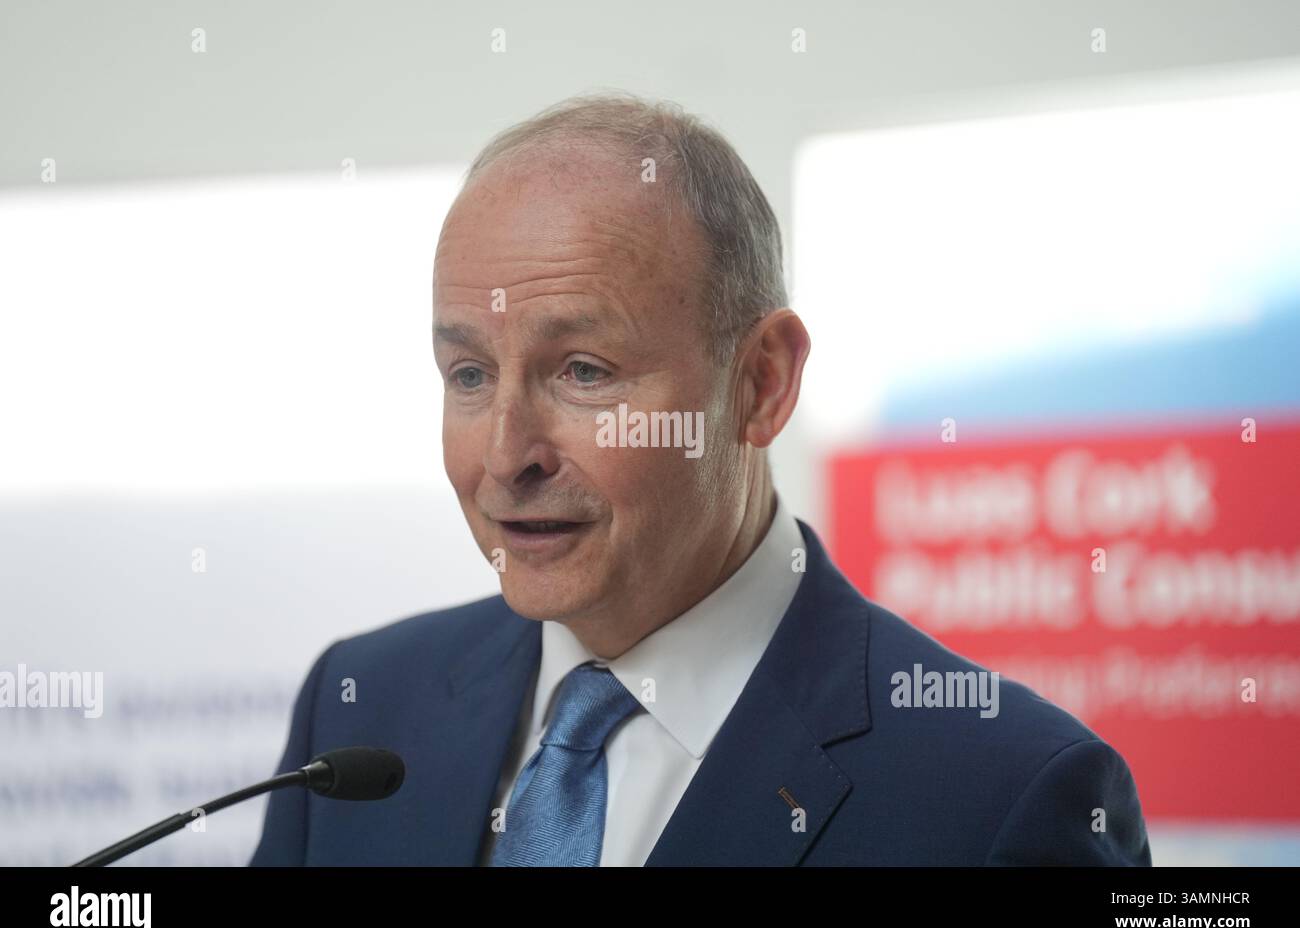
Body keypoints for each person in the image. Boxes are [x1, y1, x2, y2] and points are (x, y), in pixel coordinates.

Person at [250, 92, 1152, 866]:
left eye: (584, 372)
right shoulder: (360, 706)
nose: (504, 456)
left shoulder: (1005, 797)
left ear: (761, 382)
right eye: (470, 376)